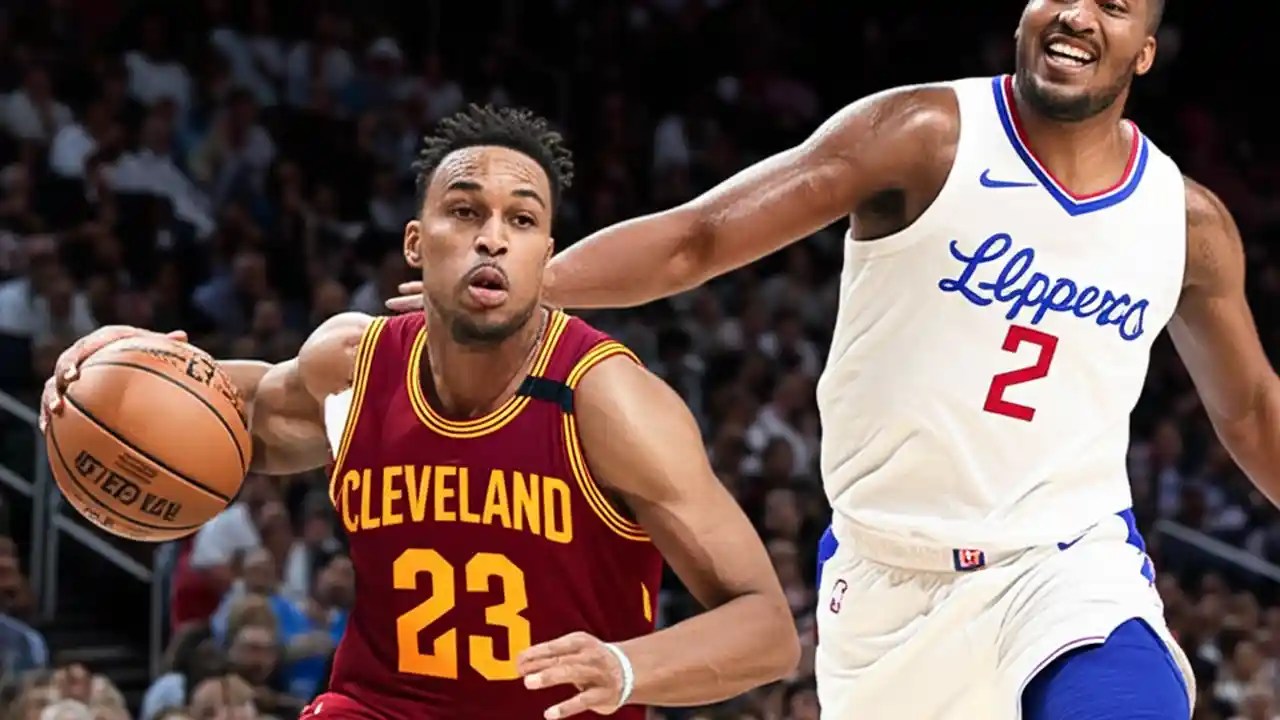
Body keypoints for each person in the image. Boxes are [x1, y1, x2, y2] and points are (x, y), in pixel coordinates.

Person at [386, 1, 1279, 718]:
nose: (1078, 15)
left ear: (1145, 51)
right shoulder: (923, 134)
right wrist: (531, 286)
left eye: (1112, 7)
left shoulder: (1186, 224)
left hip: (1063, 565)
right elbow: (701, 238)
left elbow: (1248, 413)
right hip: (883, 582)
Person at [41, 105, 798, 719]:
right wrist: (105, 366)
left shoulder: (605, 401)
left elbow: (767, 630)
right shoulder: (352, 366)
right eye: (464, 211)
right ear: (415, 243)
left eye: (522, 220)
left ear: (546, 256)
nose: (492, 237)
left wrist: (627, 666)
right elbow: (221, 409)